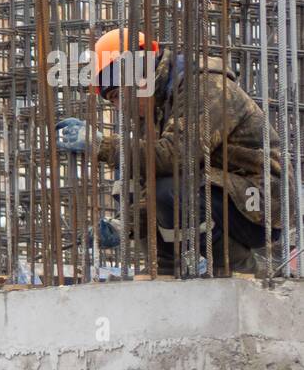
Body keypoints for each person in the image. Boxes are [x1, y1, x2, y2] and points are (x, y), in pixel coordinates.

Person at [56, 28, 285, 275]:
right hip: (220, 192)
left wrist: (102, 146)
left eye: (118, 95)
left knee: (169, 188)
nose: (121, 108)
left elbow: (177, 156)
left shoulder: (204, 85)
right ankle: (165, 267)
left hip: (259, 201)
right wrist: (125, 225)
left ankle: (234, 265)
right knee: (133, 174)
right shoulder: (157, 107)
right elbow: (148, 184)